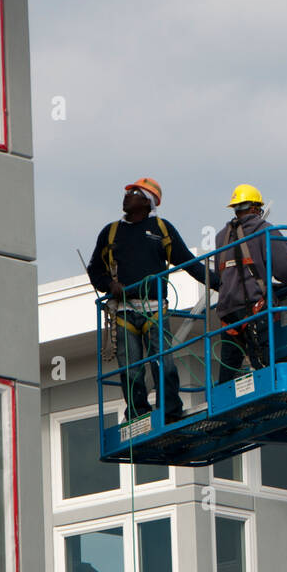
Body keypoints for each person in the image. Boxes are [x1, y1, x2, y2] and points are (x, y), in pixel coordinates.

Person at [86, 177, 216, 424]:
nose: (127, 195)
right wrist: (110, 285)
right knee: (131, 370)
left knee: (162, 364)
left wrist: (220, 281)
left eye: (134, 192)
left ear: (148, 201)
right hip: (123, 311)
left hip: (154, 309)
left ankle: (170, 412)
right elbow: (95, 270)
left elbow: (189, 262)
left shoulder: (160, 229)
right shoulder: (111, 232)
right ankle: (137, 414)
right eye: (127, 191)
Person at [212, 183, 287, 384]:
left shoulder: (220, 237)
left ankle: (223, 402)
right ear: (253, 208)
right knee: (263, 367)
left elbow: (220, 273)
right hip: (254, 308)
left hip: (228, 313)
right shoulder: (265, 231)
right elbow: (284, 271)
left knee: (228, 372)